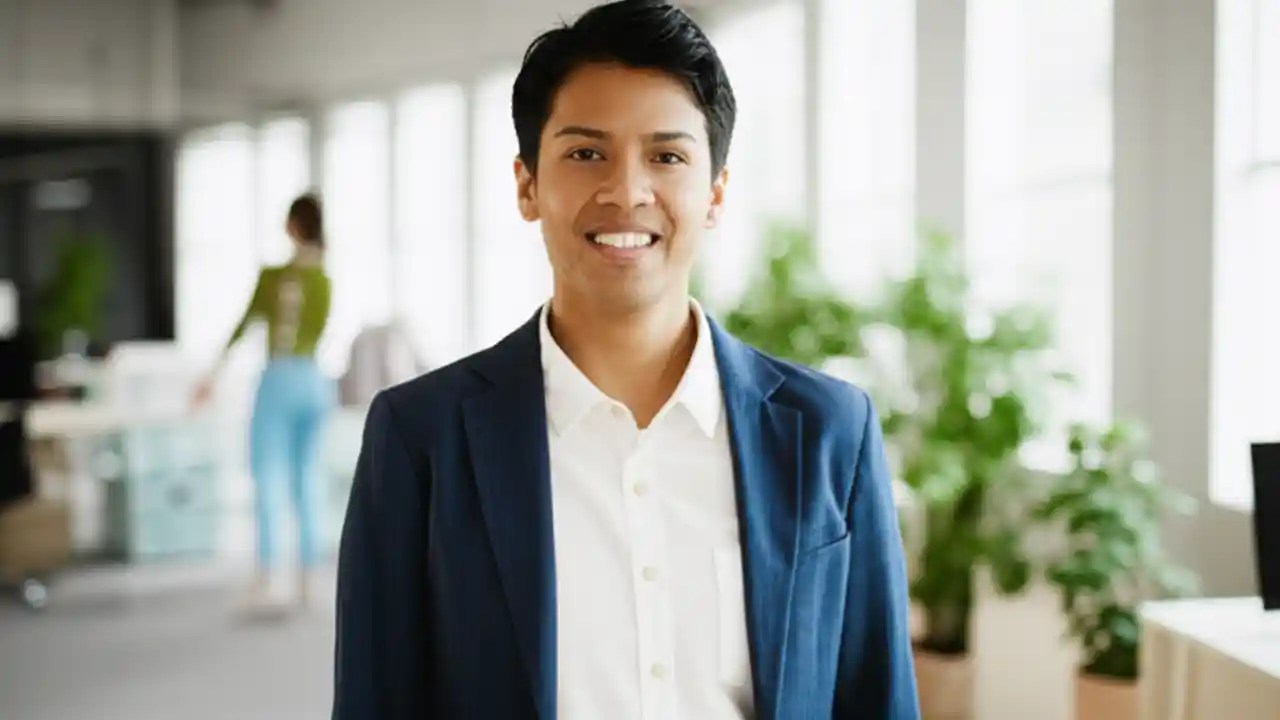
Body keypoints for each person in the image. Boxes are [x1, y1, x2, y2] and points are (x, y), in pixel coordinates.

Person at [332, 1, 919, 717]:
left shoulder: (829, 432)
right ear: (527, 185)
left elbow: (875, 697)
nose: (627, 192)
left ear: (715, 193)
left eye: (667, 157)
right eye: (586, 153)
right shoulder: (420, 437)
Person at [195, 193, 334, 611]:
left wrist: (212, 374)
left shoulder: (274, 277)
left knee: (269, 478)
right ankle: (310, 578)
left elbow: (244, 326)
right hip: (314, 379)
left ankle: (270, 576)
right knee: (308, 478)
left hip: (279, 379)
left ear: (292, 225)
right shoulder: (323, 280)